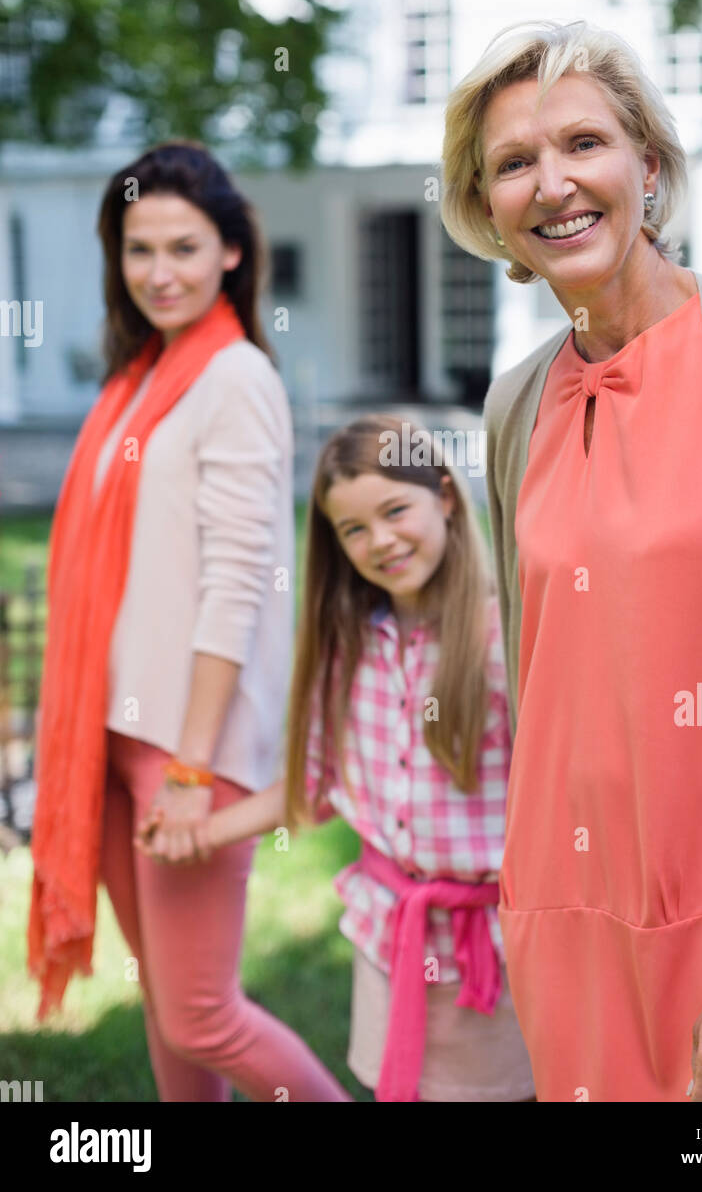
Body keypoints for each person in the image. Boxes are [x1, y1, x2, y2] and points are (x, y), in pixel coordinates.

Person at [439, 17, 702, 1102]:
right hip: (565, 923)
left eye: (583, 143)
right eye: (513, 163)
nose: (552, 184)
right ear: (486, 204)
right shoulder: (514, 402)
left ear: (650, 167)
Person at [28, 140, 349, 1102]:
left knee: (203, 1011)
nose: (160, 272)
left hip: (188, 749)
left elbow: (236, 583)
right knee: (170, 1008)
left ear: (230, 252)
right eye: (140, 249)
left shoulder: (234, 377)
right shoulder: (138, 378)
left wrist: (190, 771)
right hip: (115, 734)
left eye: (184, 247)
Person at [139, 414, 536, 1103]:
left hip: (493, 955)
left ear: (444, 498)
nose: (379, 540)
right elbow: (314, 787)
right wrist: (202, 831)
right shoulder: (350, 647)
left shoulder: (506, 640)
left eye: (395, 511)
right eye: (353, 528)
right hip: (390, 942)